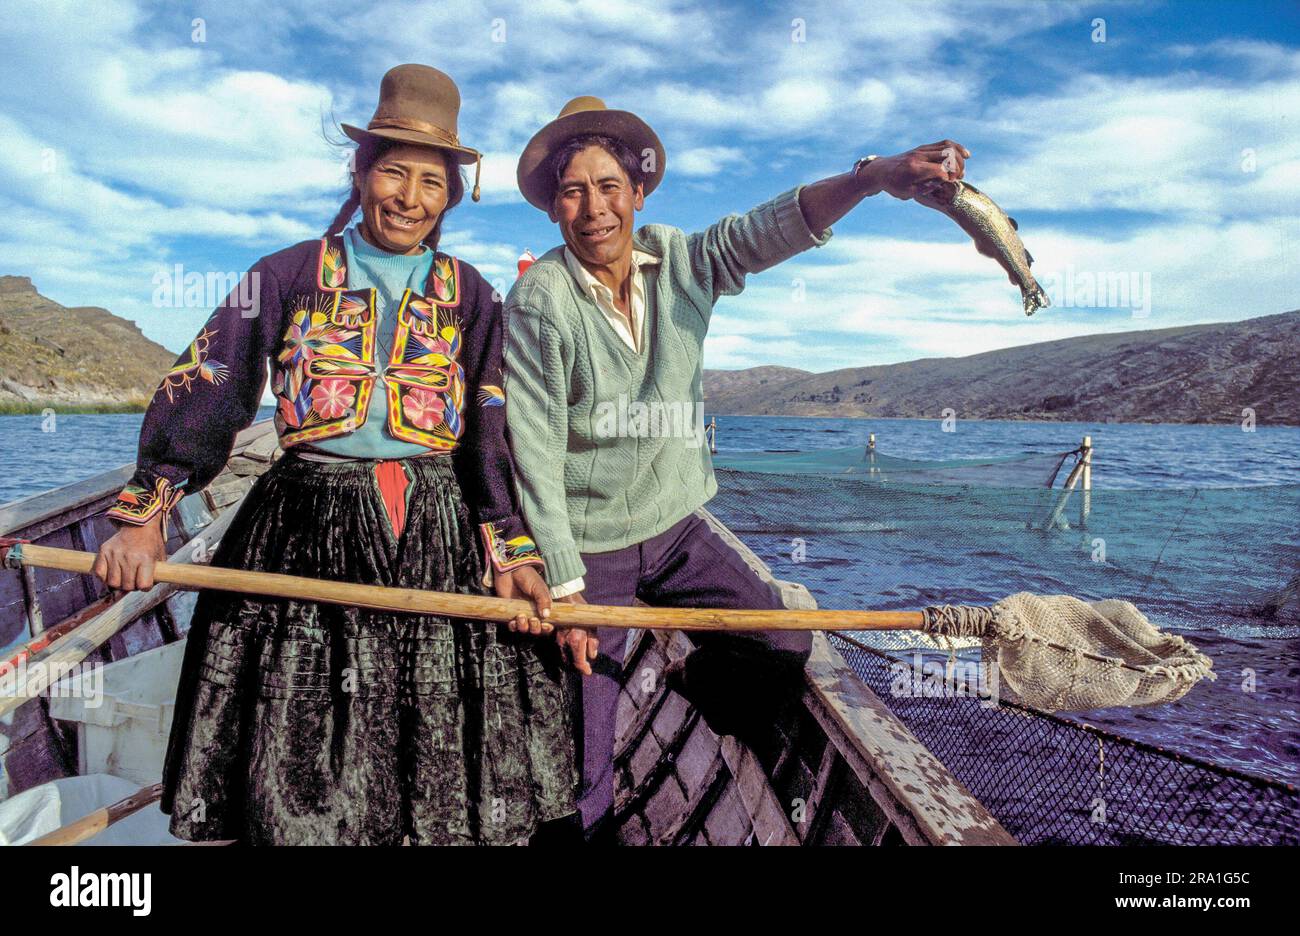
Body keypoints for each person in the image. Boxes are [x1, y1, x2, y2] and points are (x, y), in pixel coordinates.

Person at [93, 65, 578, 845]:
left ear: (452, 194)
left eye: (431, 181)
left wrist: (509, 545)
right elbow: (214, 380)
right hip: (302, 525)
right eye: (392, 172)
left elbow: (492, 425)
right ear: (359, 173)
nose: (410, 198)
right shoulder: (286, 273)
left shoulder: (471, 292)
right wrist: (147, 512)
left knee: (428, 715)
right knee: (303, 712)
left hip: (433, 530)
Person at [502, 95, 971, 839]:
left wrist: (875, 177)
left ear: (638, 193)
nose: (593, 209)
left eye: (609, 187)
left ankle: (688, 678)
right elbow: (532, 442)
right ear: (554, 208)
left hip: (677, 521)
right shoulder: (540, 298)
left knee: (784, 639)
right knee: (581, 754)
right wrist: (565, 585)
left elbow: (772, 226)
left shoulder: (683, 262)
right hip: (589, 546)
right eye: (573, 191)